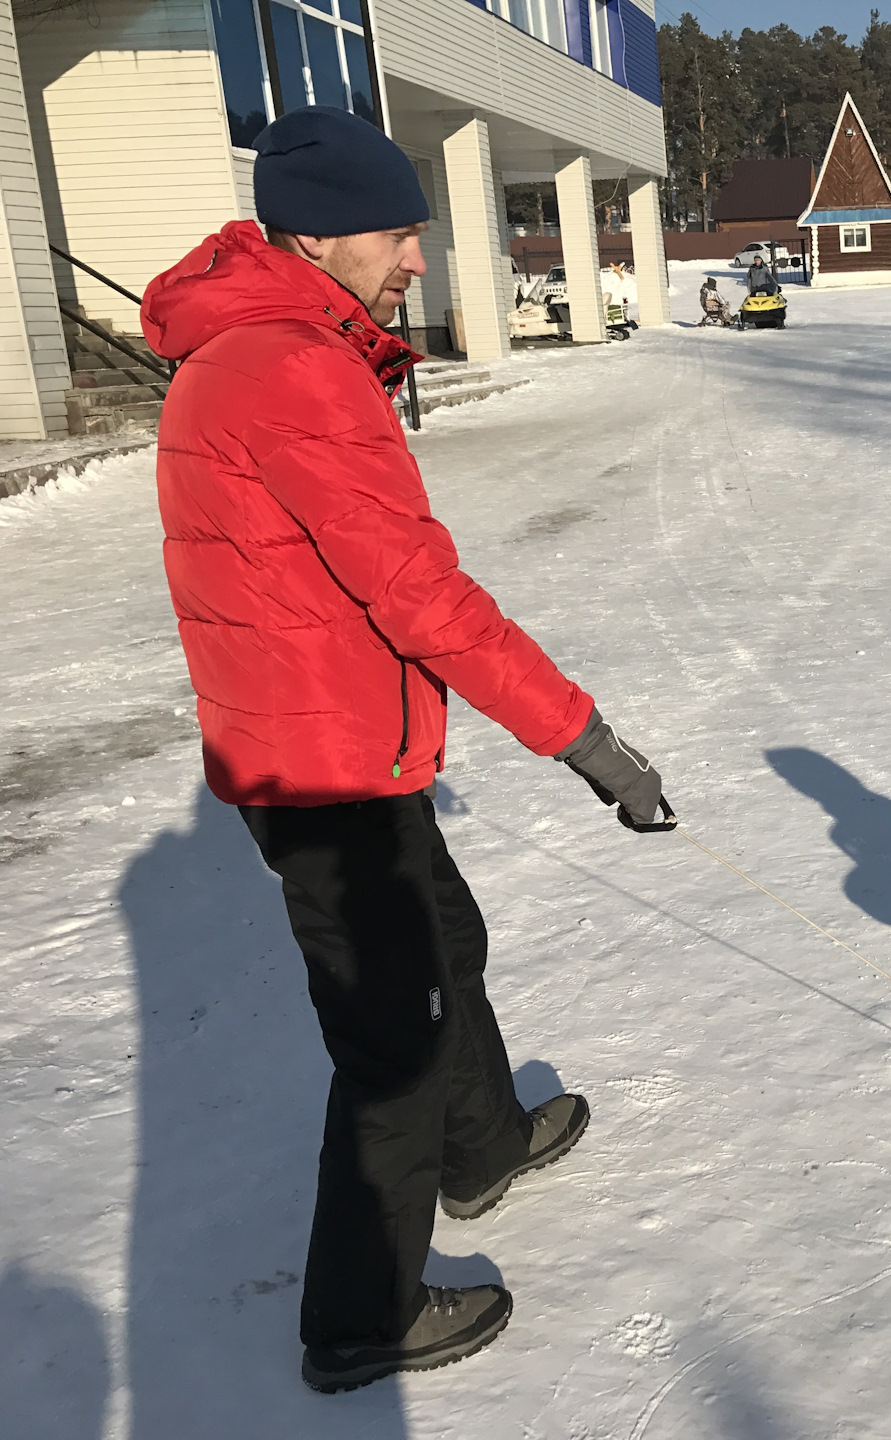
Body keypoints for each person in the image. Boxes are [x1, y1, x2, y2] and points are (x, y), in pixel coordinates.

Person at [139, 106, 667, 1393]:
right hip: (322, 769)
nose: (417, 259)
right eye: (397, 233)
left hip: (341, 748)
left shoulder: (270, 347)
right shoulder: (290, 368)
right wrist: (587, 741)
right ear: (315, 234)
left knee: (449, 945)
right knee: (394, 1040)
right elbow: (423, 596)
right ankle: (358, 1316)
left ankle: (481, 1150)